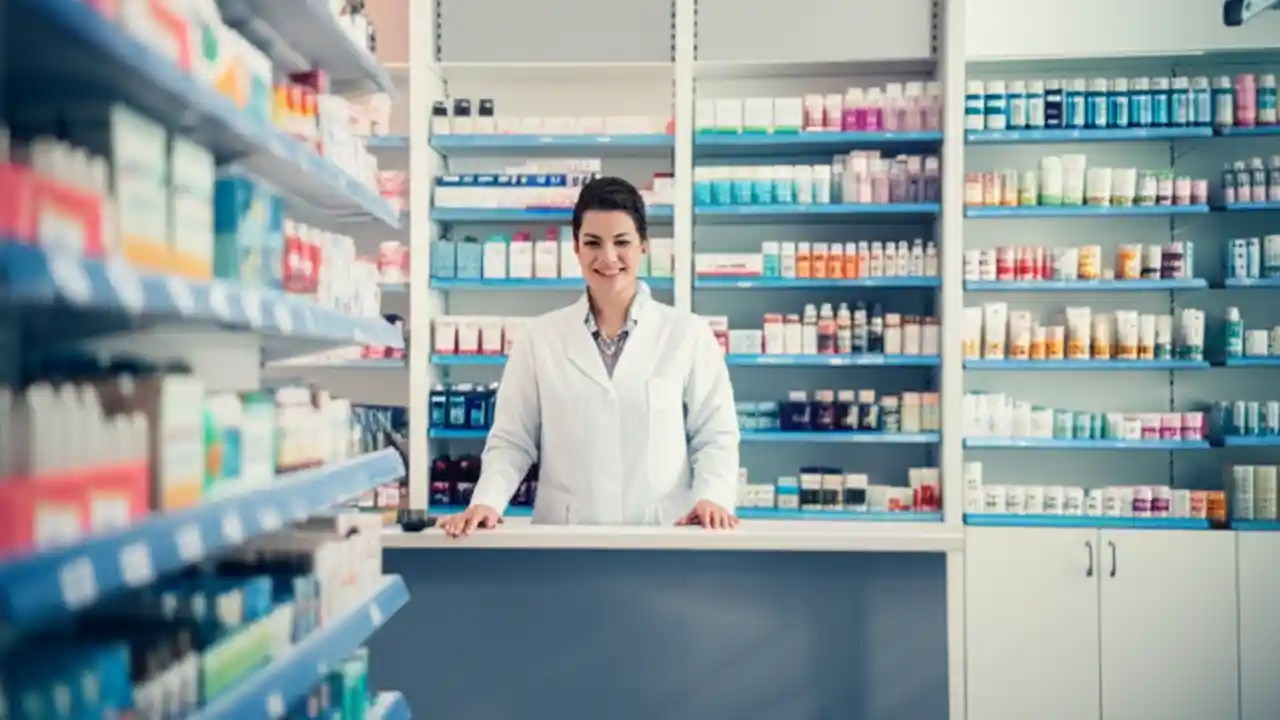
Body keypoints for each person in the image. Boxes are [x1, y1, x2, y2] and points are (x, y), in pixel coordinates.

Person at [439, 177, 740, 537]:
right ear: (576, 250)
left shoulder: (687, 334)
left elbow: (715, 435)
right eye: (593, 243)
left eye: (622, 242)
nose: (608, 257)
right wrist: (486, 502)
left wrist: (712, 497)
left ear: (644, 246)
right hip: (564, 540)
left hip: (662, 537)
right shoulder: (539, 339)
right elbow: (511, 440)